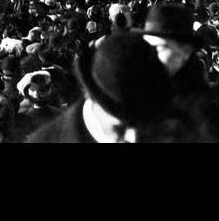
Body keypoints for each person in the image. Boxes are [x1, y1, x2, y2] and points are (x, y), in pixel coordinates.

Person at [27, 32, 179, 143]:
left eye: (143, 125)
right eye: (120, 127)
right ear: (94, 100)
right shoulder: (48, 138)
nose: (133, 138)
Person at [137, 2, 219, 143]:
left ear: (184, 51)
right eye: (146, 46)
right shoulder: (133, 83)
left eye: (158, 47)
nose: (149, 54)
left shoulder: (211, 97)